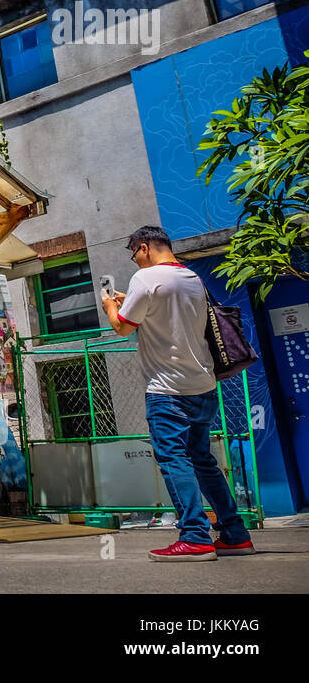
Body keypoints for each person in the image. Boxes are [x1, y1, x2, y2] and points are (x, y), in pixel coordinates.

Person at [102, 224, 255, 561]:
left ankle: (195, 537)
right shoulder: (191, 278)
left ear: (144, 247)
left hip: (167, 390)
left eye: (134, 255)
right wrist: (129, 303)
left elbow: (123, 326)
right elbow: (165, 314)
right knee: (203, 461)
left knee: (174, 459)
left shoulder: (146, 278)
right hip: (202, 385)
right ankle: (234, 534)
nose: (136, 263)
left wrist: (110, 306)